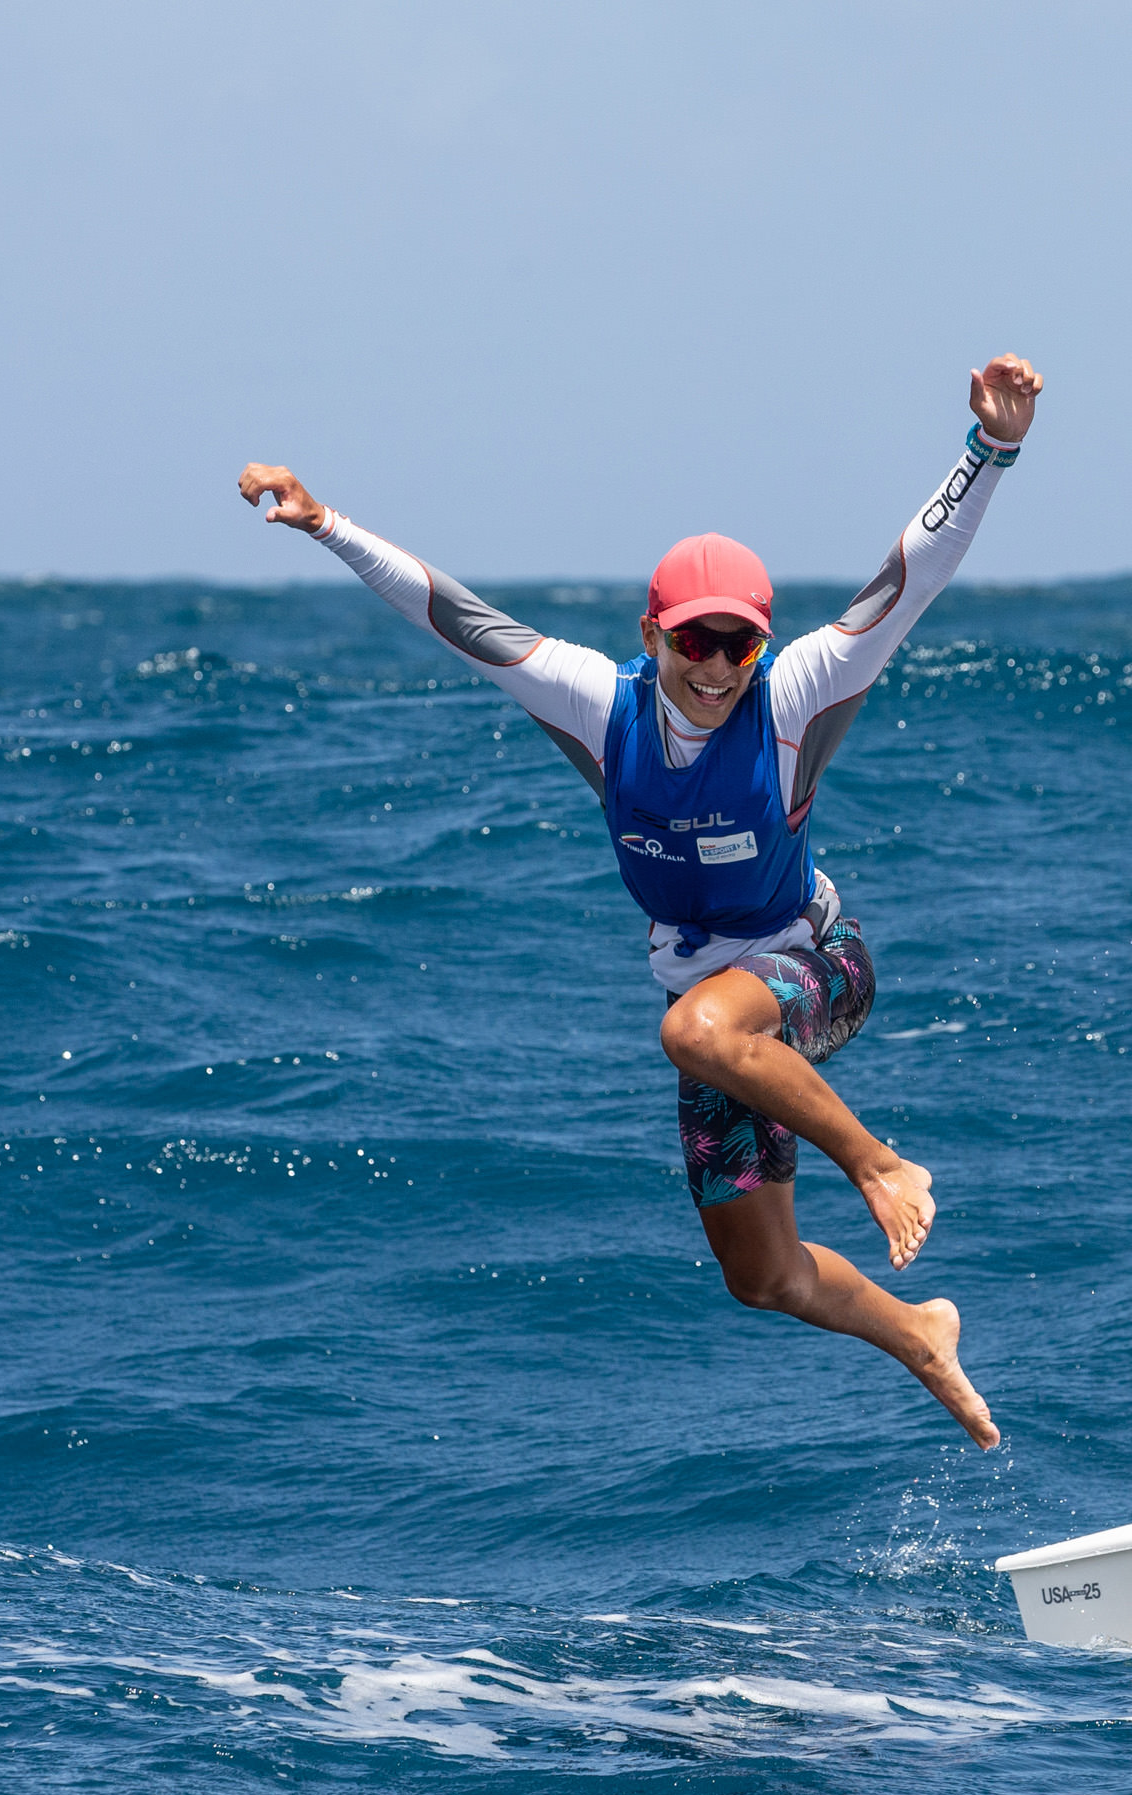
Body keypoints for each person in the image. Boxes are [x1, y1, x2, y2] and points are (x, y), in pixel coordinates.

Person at [236, 355, 1041, 1451]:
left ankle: (881, 1162)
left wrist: (990, 450)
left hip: (818, 966)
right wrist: (326, 523)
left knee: (694, 1027)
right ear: (653, 633)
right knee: (762, 1275)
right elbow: (453, 618)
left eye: (737, 643)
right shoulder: (595, 701)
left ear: (763, 643)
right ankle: (919, 1333)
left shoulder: (796, 698)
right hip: (719, 1022)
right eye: (693, 642)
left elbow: (911, 576)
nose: (715, 667)